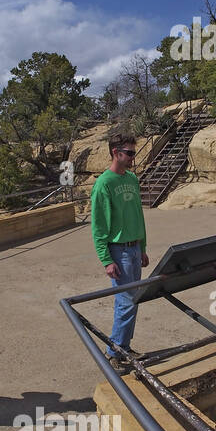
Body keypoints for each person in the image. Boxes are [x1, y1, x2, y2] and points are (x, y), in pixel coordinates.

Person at [91, 133, 147, 365]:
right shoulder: (104, 183)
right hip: (119, 252)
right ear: (116, 152)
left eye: (134, 152)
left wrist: (142, 247)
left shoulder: (132, 179)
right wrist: (106, 259)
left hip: (134, 249)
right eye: (130, 153)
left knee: (133, 302)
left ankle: (124, 348)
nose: (133, 157)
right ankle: (114, 353)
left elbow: (138, 216)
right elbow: (99, 225)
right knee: (126, 302)